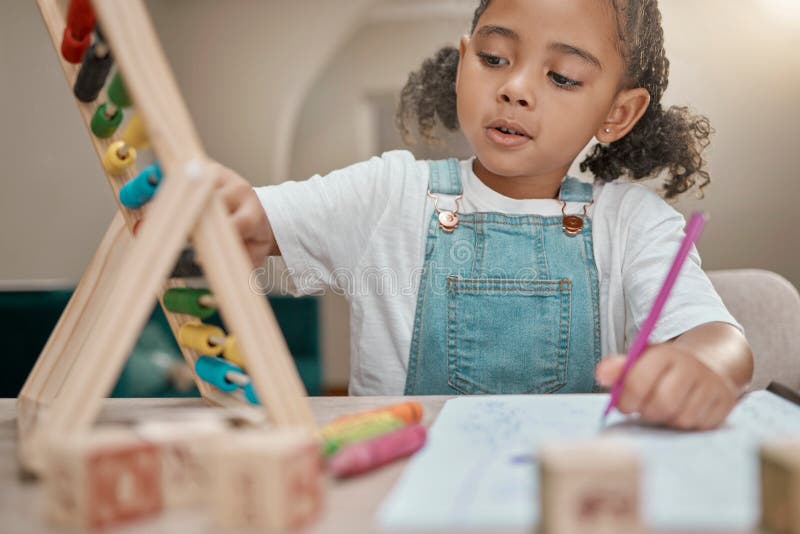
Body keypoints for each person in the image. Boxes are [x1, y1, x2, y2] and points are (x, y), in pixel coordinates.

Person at [215, 0, 753, 430]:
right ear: (462, 63)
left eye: (562, 76)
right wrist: (224, 210)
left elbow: (717, 336)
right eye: (494, 58)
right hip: (402, 496)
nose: (514, 88)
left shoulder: (634, 223)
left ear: (617, 112)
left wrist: (701, 367)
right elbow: (257, 219)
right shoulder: (388, 191)